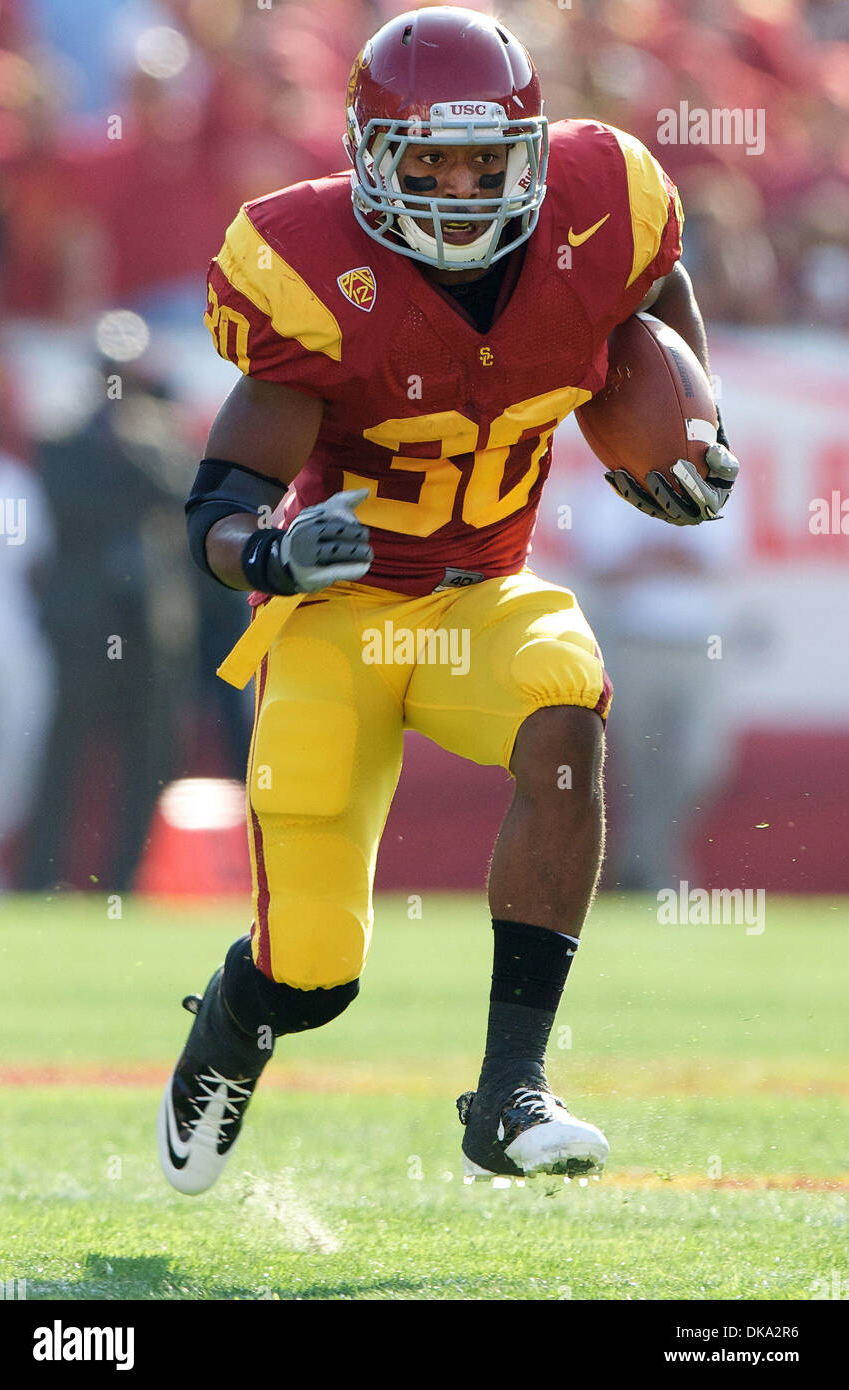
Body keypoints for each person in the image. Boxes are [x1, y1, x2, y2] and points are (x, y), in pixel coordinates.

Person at [157, 6, 738, 1194]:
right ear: (371, 156)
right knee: (312, 977)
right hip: (338, 615)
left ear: (533, 153)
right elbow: (219, 503)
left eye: (488, 160)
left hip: (484, 594)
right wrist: (268, 557)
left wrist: (693, 418)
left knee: (566, 704)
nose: (464, 187)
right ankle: (234, 1020)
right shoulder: (309, 264)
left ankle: (510, 1087)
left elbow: (657, 290)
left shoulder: (603, 202)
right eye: (431, 162)